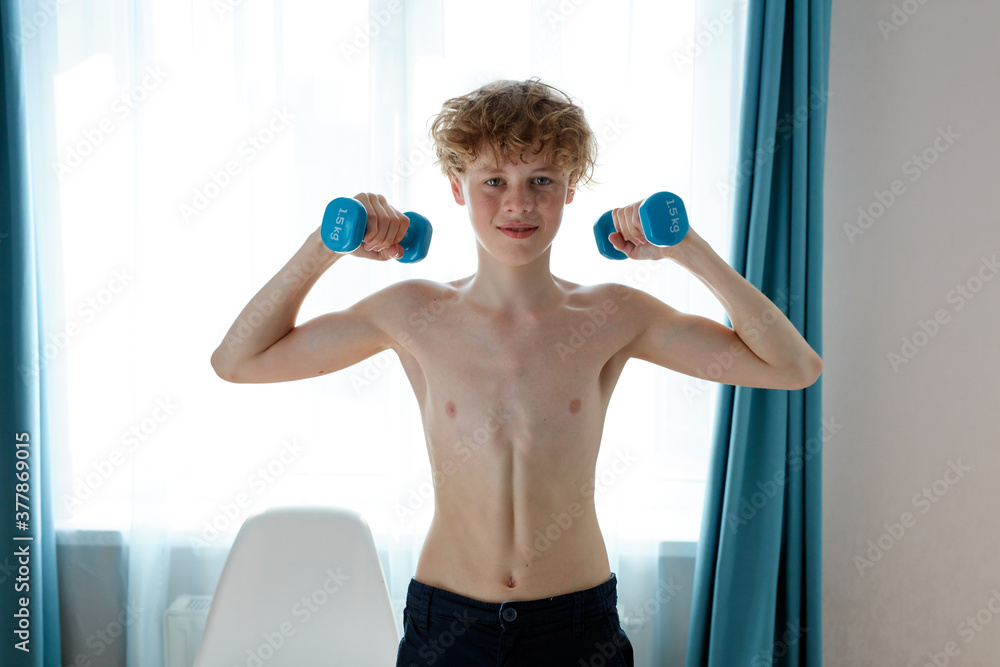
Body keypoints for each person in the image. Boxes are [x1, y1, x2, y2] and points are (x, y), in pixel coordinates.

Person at [210, 78, 822, 666]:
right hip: (449, 627)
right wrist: (328, 243)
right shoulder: (413, 311)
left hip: (576, 627)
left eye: (542, 180)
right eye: (494, 180)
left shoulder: (613, 313)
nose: (518, 203)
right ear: (457, 186)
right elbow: (238, 361)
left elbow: (794, 367)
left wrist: (686, 247)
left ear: (570, 188)